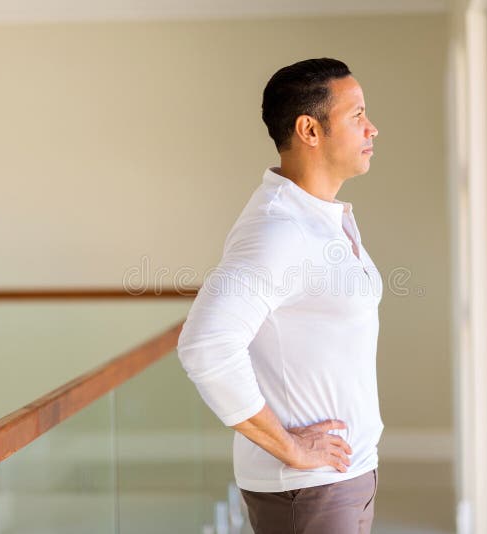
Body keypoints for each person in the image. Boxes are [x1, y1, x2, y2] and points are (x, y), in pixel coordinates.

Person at [177, 58, 383, 534]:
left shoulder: (320, 216)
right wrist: (292, 450)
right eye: (357, 116)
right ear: (310, 130)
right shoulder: (279, 230)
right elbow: (206, 346)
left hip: (341, 478)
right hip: (308, 489)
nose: (372, 128)